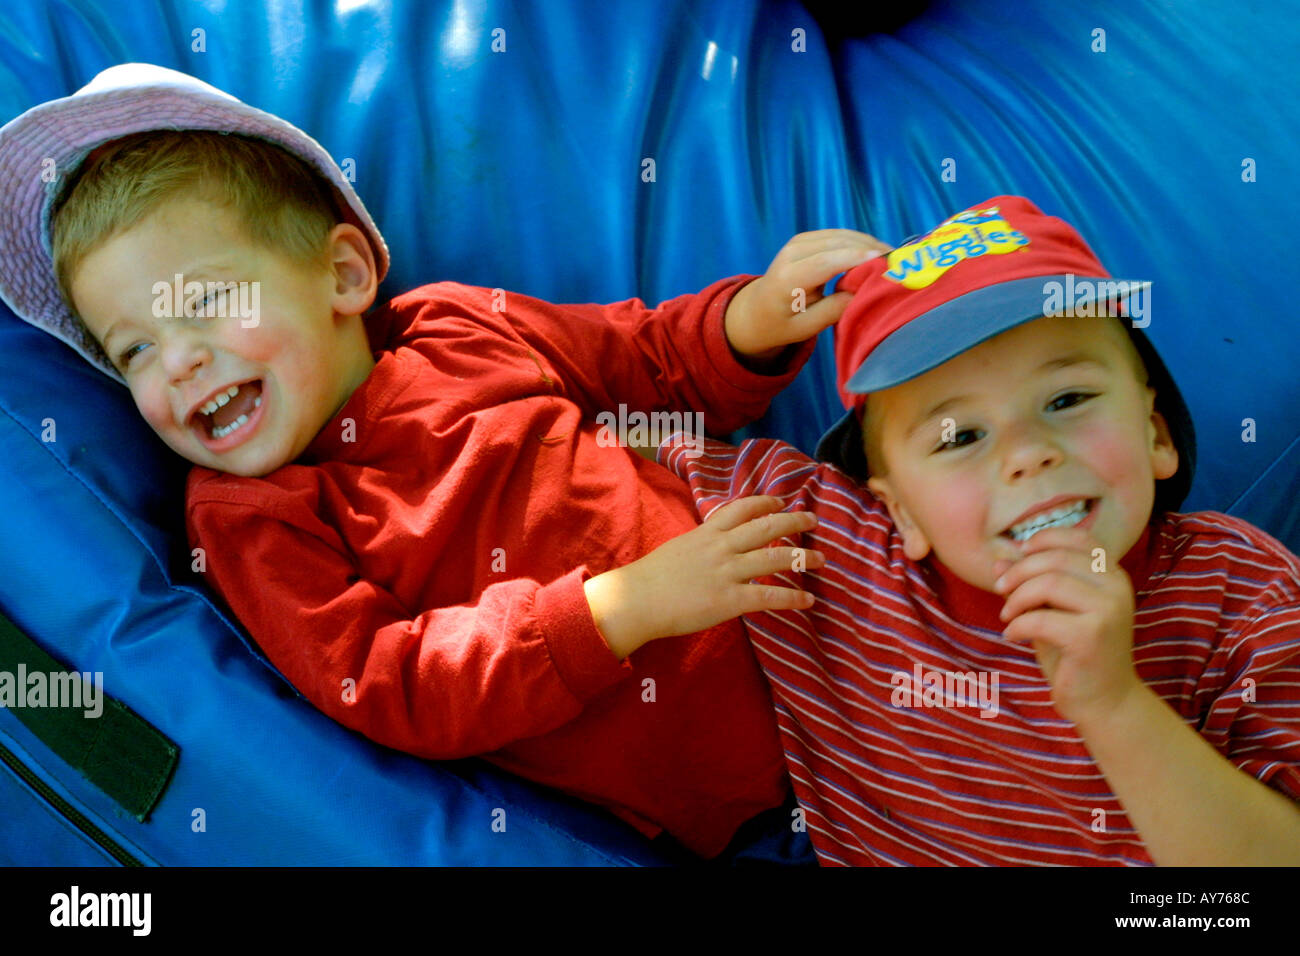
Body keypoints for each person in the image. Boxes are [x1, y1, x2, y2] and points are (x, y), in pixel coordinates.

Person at [0, 63, 890, 860]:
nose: (178, 361)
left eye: (205, 302)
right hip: (771, 807)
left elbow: (648, 361)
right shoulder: (249, 514)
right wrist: (623, 609)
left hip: (838, 604)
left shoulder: (457, 324)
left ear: (345, 276)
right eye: (134, 352)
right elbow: (391, 680)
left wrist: (757, 318)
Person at [653, 196, 1300, 865]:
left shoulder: (1244, 596)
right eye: (959, 435)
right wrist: (748, 322)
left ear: (1155, 434)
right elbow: (598, 431)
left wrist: (1114, 706)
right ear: (900, 512)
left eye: (1067, 399)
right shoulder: (820, 543)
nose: (1026, 453)